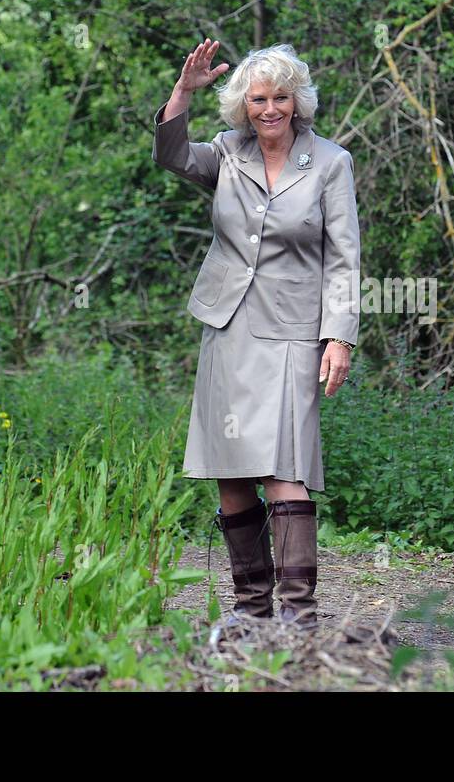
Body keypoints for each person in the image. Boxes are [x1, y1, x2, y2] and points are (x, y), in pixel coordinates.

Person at [152, 39, 360, 628]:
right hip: (228, 328)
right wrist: (182, 93)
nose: (269, 109)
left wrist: (339, 336)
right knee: (233, 465)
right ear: (244, 106)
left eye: (280, 98)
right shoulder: (226, 153)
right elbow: (170, 155)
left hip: (295, 330)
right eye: (258, 99)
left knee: (287, 465)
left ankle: (299, 616)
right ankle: (251, 613)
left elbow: (344, 257)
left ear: (298, 103)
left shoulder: (330, 162)